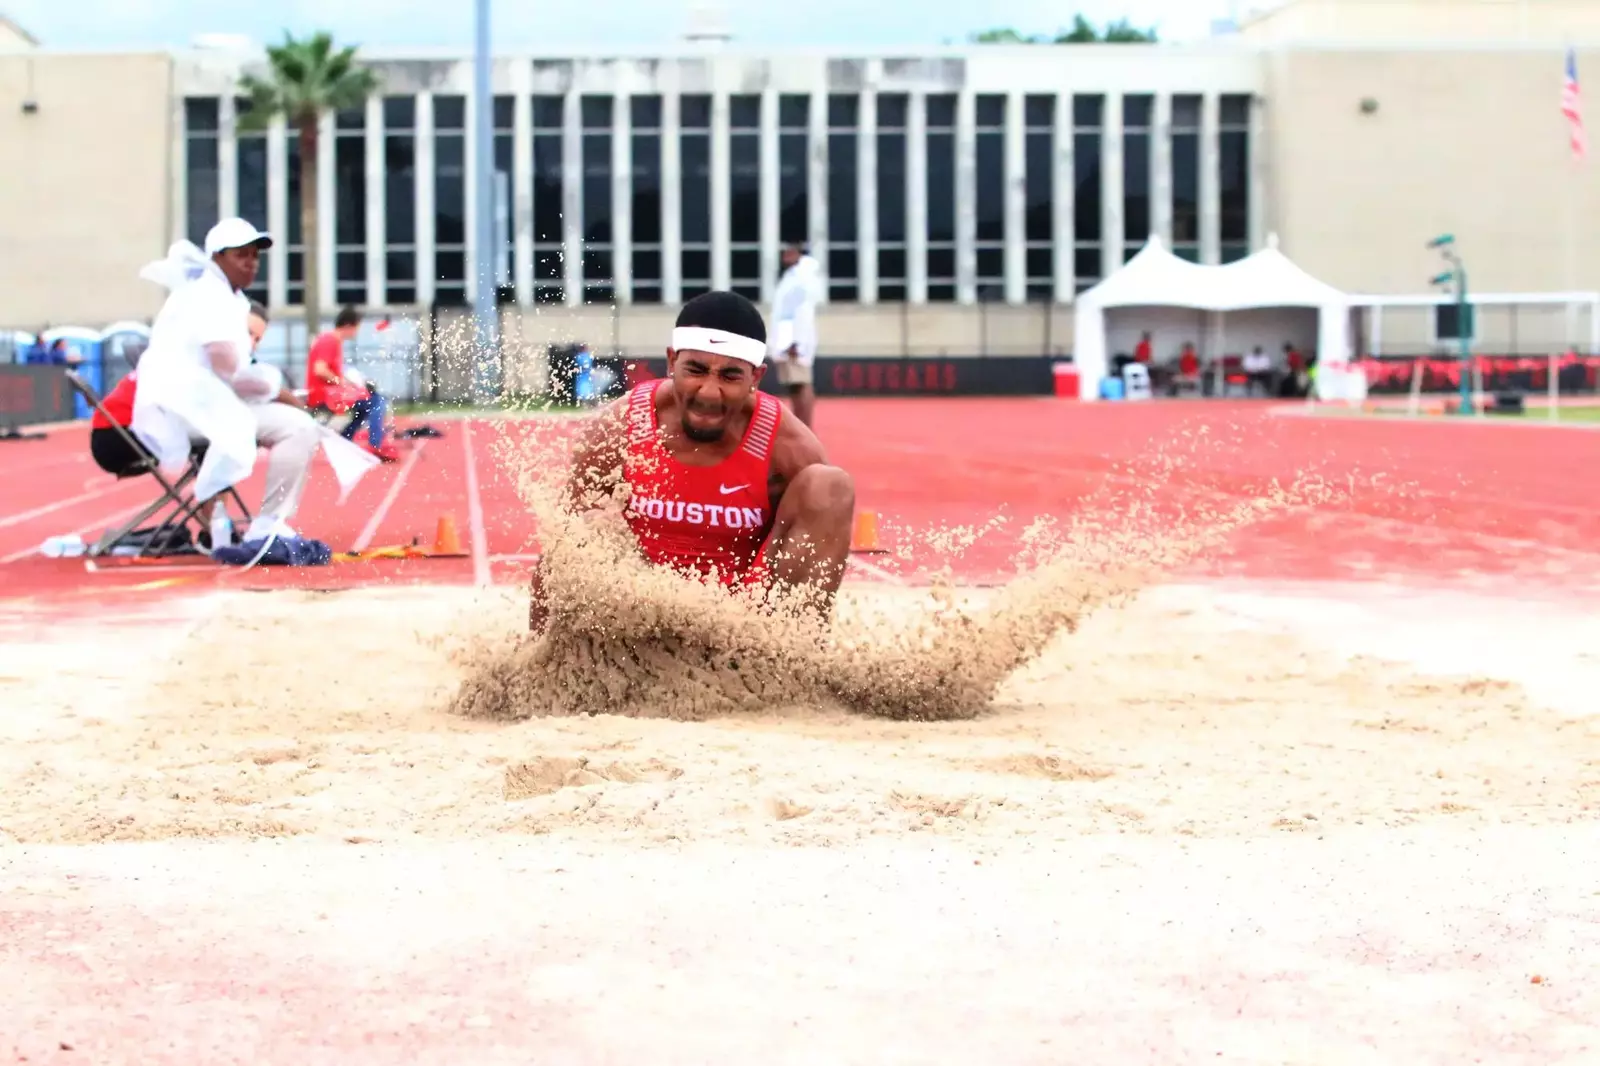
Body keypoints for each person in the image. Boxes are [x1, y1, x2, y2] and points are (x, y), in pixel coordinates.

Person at [529, 290, 855, 631]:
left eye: (730, 376)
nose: (709, 393)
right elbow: (561, 555)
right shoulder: (619, 427)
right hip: (639, 619)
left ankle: (788, 664)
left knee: (830, 486)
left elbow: (813, 552)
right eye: (695, 370)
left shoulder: (786, 445)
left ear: (755, 378)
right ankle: (561, 670)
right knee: (578, 528)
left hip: (740, 627)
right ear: (672, 362)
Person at [131, 217, 324, 544]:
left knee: (296, 423)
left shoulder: (228, 298)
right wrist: (279, 392)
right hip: (186, 412)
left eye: (255, 255)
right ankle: (268, 524)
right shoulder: (209, 295)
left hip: (203, 406)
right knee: (298, 426)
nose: (251, 263)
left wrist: (273, 391)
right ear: (217, 257)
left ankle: (257, 522)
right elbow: (230, 371)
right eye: (241, 255)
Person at [306, 304, 394, 458]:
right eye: (357, 327)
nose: (357, 332)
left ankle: (345, 439)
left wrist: (353, 383)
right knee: (376, 401)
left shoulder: (333, 341)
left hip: (330, 393)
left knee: (368, 401)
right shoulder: (329, 341)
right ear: (348, 325)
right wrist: (342, 383)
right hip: (324, 395)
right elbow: (319, 369)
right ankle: (375, 444)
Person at [769, 243, 824, 428]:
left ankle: (806, 427)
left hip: (794, 338)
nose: (786, 256)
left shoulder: (803, 277)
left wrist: (795, 341)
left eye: (790, 252)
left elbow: (801, 312)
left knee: (801, 382)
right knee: (793, 384)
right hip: (786, 337)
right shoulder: (791, 276)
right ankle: (801, 425)